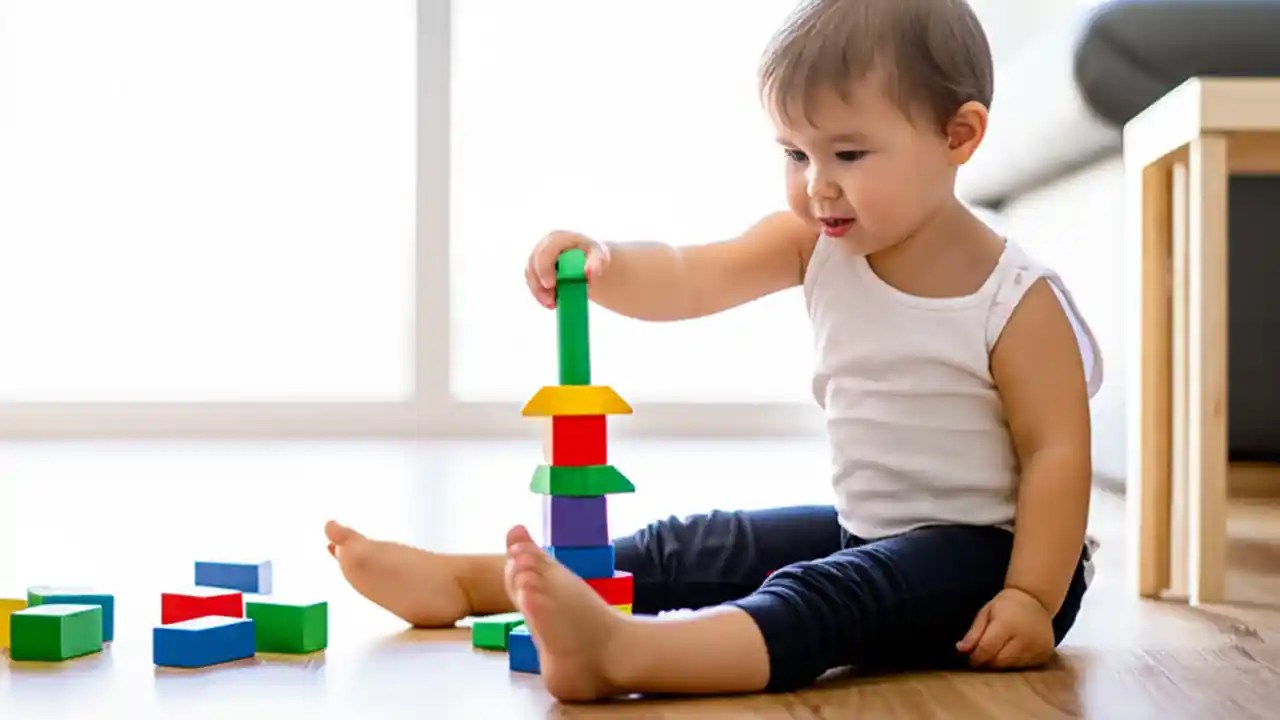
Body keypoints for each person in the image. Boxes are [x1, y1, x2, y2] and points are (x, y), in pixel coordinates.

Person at [324, 0, 1104, 702]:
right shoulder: (813, 245)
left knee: (824, 595)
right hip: (871, 529)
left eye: (848, 155)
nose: (816, 186)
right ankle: (466, 583)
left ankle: (630, 656)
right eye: (796, 154)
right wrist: (607, 262)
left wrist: (1033, 596)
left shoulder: (1015, 298)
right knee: (698, 542)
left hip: (995, 562)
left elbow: (1056, 454)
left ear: (957, 136)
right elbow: (692, 275)